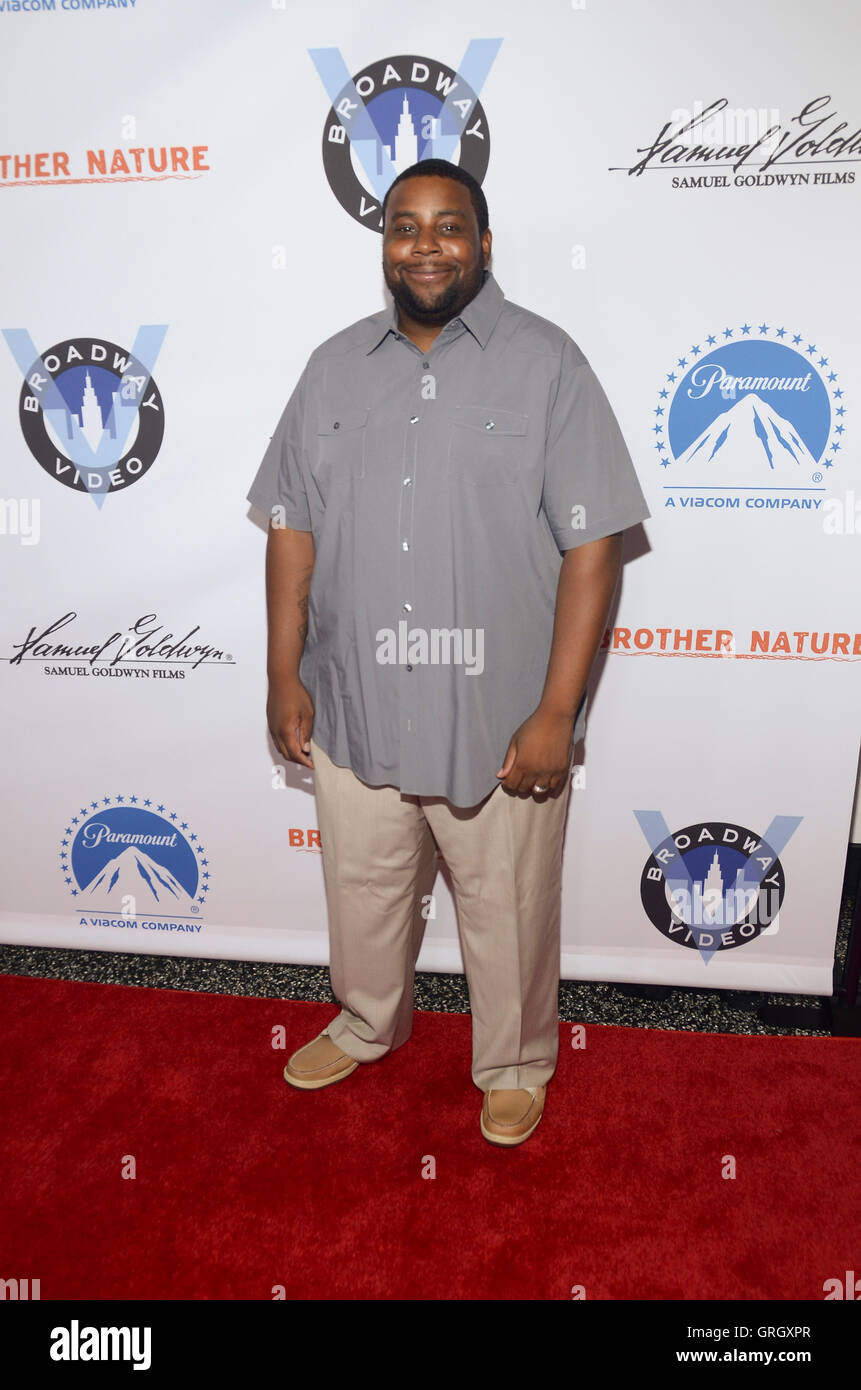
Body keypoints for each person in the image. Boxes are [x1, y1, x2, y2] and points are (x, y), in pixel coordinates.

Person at [247, 158, 650, 1146]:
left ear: (482, 240)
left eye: (448, 225)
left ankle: (514, 1060)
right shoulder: (332, 367)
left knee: (506, 904)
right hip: (355, 699)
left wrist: (558, 710)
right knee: (365, 888)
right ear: (384, 242)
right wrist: (282, 671)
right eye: (404, 226)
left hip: (499, 712)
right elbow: (292, 525)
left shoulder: (548, 362)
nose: (425, 245)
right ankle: (367, 1018)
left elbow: (594, 547)